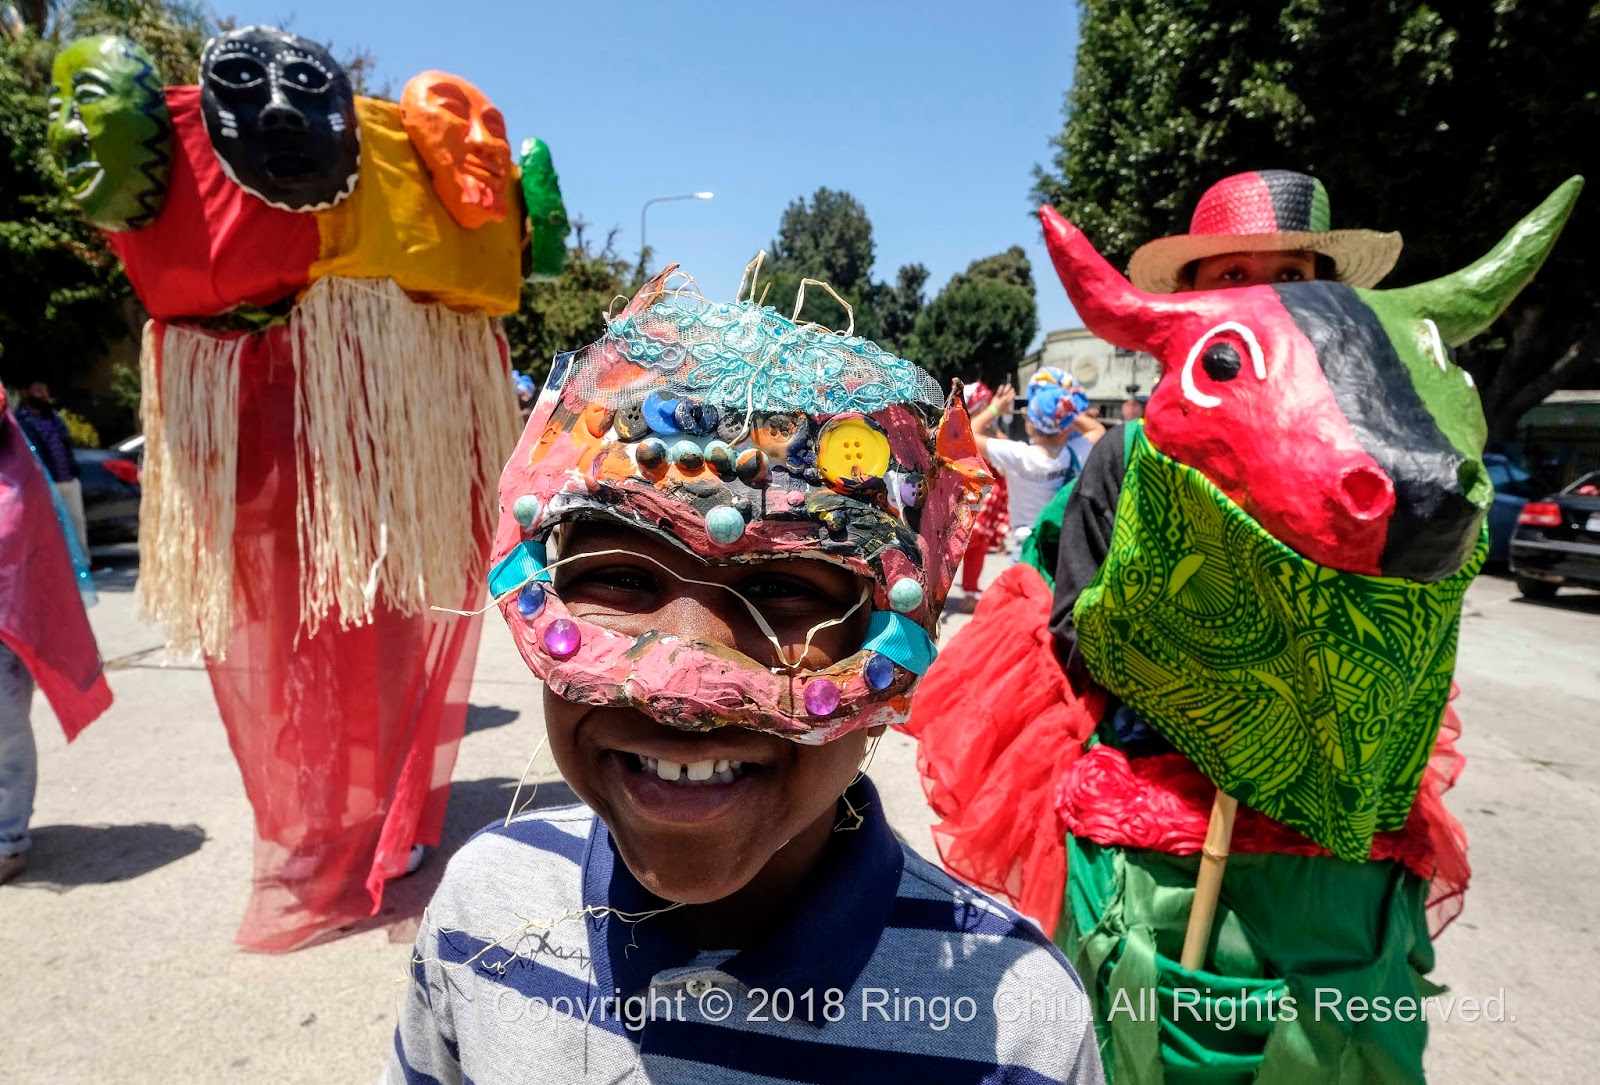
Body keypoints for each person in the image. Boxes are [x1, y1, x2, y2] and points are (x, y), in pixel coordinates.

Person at [388, 268, 1104, 1084]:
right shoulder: (482, 905)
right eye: (622, 577)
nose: (682, 683)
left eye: (782, 590)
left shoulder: (1018, 1028)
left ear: (897, 648)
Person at [0, 388, 112, 884]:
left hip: (7, 623)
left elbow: (18, 538)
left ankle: (8, 839)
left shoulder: (16, 475)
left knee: (3, 729)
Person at [970, 367, 1105, 554]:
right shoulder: (1074, 453)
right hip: (1061, 547)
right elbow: (1097, 430)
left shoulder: (1019, 456)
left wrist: (995, 408)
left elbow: (970, 433)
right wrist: (1064, 408)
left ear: (1030, 425)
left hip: (1027, 548)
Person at [13, 381, 87, 554]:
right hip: (44, 483)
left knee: (77, 522)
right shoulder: (21, 422)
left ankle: (83, 563)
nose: (44, 395)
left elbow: (66, 445)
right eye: (38, 391)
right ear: (26, 393)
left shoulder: (54, 417)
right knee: (51, 528)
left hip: (68, 479)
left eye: (45, 391)